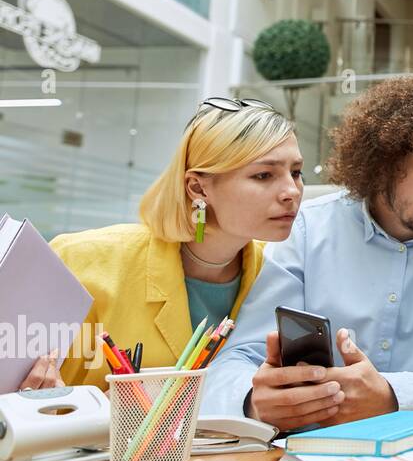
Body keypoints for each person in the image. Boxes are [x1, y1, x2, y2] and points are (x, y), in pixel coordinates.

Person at [201, 75, 413, 430]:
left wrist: (391, 395)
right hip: (311, 454)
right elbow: (238, 358)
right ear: (386, 157)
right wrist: (254, 401)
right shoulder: (308, 229)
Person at [20, 98, 302, 392]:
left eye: (296, 172)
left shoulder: (279, 278)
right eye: (263, 175)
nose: (291, 191)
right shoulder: (79, 260)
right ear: (198, 187)